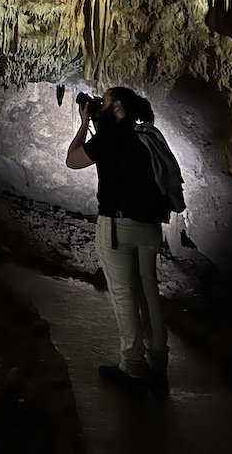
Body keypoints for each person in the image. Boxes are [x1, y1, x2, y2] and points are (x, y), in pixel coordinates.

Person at [66, 86, 169, 392]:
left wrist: (84, 122)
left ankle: (132, 366)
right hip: (150, 228)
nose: (101, 105)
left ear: (118, 105)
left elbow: (73, 160)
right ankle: (158, 362)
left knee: (124, 295)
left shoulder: (110, 138)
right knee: (149, 293)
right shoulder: (147, 135)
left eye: (106, 101)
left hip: (117, 226)